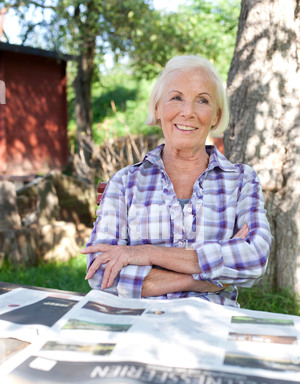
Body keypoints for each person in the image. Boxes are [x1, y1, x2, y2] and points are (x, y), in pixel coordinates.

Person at [81, 55, 272, 307]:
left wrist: (142, 253)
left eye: (202, 100)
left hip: (213, 325)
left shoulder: (241, 180)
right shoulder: (126, 182)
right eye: (176, 97)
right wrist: (207, 280)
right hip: (138, 324)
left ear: (216, 115)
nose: (188, 112)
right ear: (158, 108)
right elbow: (100, 270)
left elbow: (255, 258)